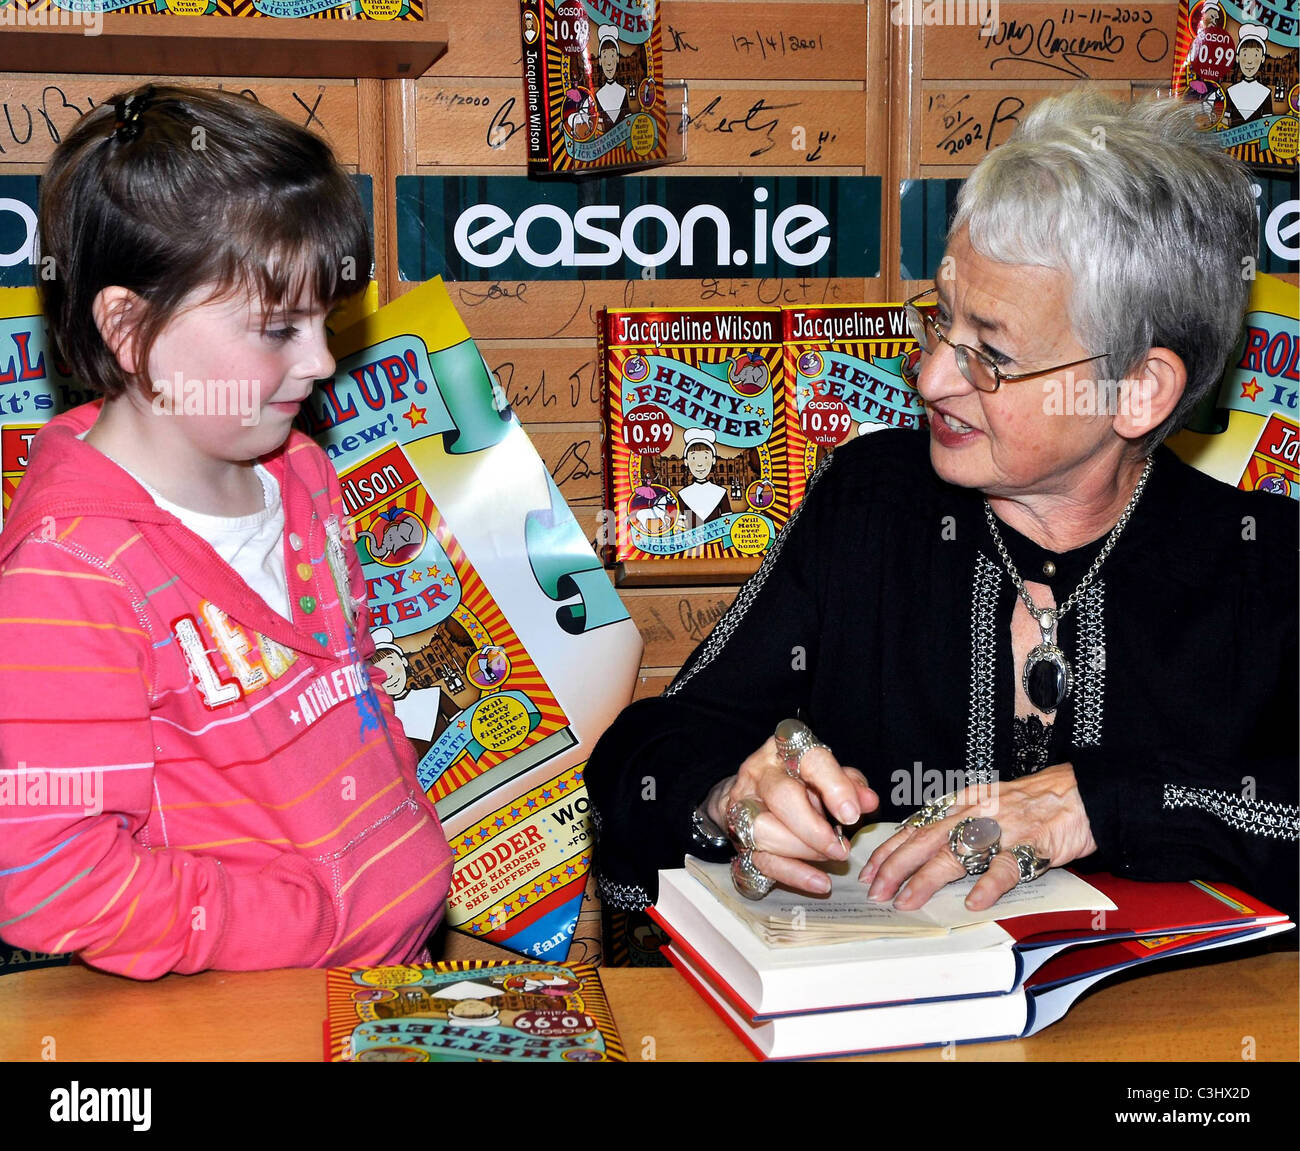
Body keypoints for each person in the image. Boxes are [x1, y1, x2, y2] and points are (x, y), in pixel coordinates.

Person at [586, 91, 1298, 934]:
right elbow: (643, 757)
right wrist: (726, 799)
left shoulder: (1265, 564)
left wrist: (1101, 802)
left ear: (1139, 390)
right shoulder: (872, 503)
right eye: (940, 322)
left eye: (991, 354)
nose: (930, 379)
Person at [0, 85, 453, 978]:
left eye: (324, 319)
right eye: (278, 329)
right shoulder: (70, 575)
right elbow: (49, 875)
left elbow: (352, 690)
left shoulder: (303, 472)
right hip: (253, 1012)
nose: (321, 360)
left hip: (389, 977)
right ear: (130, 327)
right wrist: (310, 922)